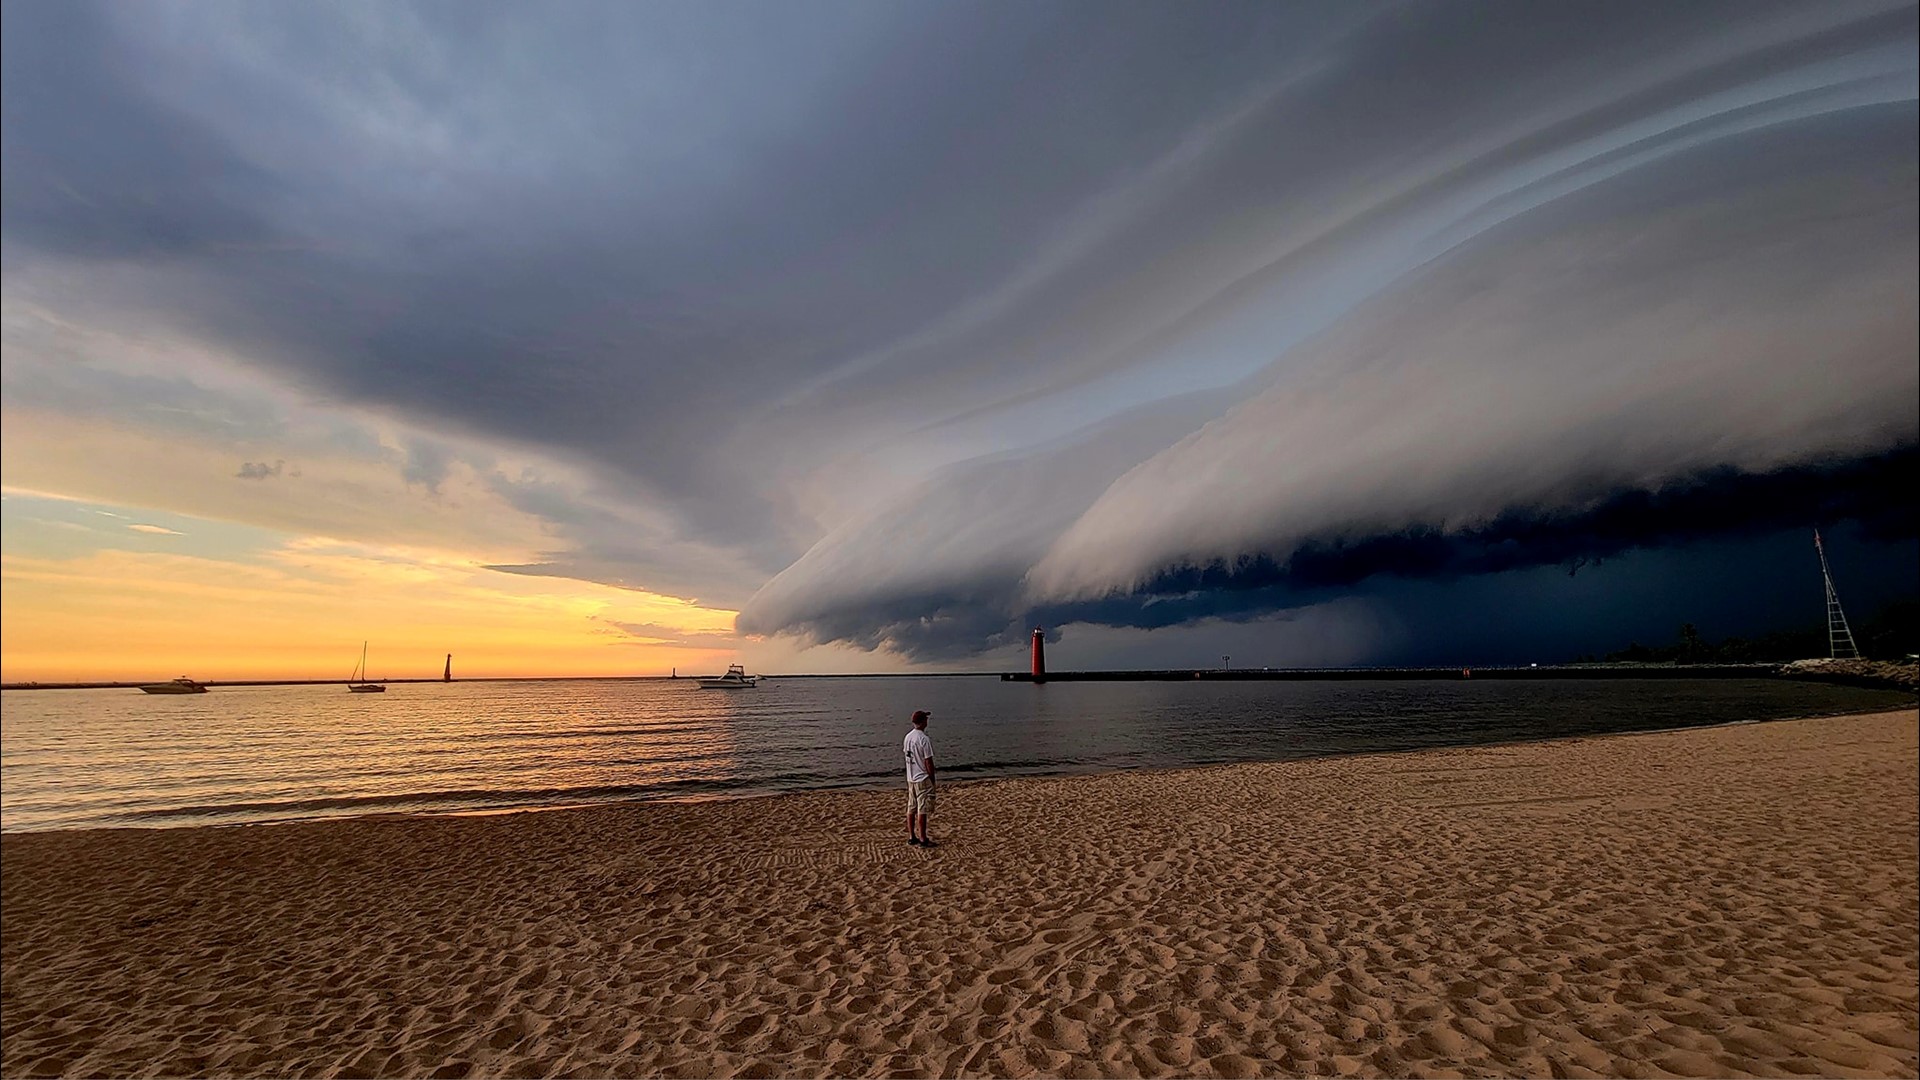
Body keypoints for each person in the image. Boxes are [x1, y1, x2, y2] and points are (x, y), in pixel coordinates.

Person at [903, 709, 936, 847]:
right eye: (926, 719)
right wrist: (932, 778)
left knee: (911, 807)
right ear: (923, 721)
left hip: (911, 777)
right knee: (922, 809)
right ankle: (923, 838)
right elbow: (928, 761)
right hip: (922, 777)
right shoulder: (923, 739)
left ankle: (912, 836)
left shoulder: (908, 737)